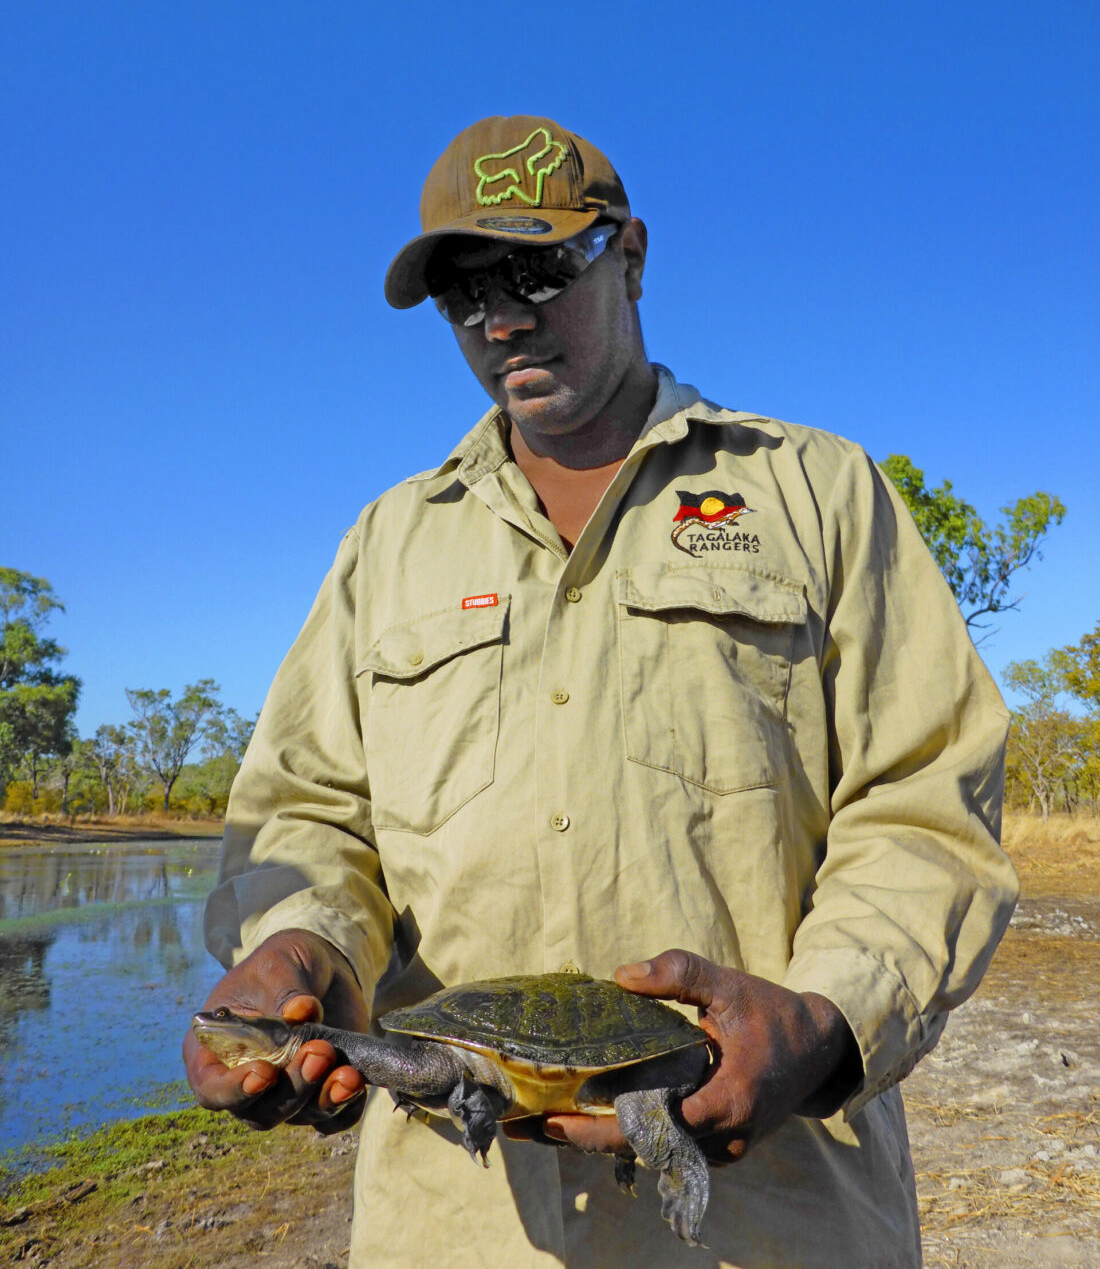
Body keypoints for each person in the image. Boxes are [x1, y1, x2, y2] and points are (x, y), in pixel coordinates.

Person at [185, 115, 1018, 1267]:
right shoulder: (388, 546)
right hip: (460, 1224)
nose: (499, 316)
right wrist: (302, 950)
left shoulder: (811, 493)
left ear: (627, 255)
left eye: (534, 268)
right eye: (463, 290)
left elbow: (922, 797)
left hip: (777, 1216)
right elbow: (312, 814)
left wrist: (827, 1021)